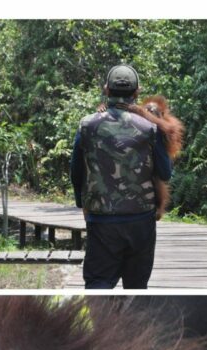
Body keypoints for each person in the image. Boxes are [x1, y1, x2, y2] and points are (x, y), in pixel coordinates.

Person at [69, 64, 172, 289]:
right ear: (137, 92)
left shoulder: (87, 124)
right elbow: (165, 172)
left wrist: (82, 203)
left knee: (98, 284)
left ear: (107, 89)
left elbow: (76, 171)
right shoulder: (150, 128)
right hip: (140, 220)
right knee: (136, 288)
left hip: (101, 219)